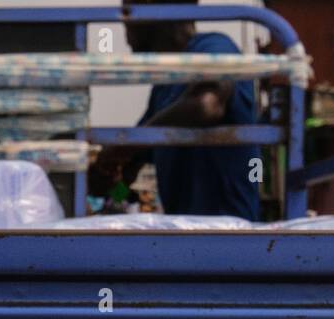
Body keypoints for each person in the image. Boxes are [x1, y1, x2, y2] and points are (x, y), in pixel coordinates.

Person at [90, 0, 261, 220]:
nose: (125, 25)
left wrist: (122, 147)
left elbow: (206, 105)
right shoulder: (163, 89)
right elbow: (129, 169)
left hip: (228, 233)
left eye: (130, 13)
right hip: (186, 237)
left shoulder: (215, 47)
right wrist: (110, 188)